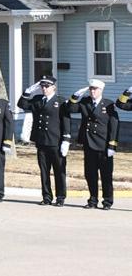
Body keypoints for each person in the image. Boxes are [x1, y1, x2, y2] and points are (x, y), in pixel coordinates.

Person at [17, 74, 70, 206]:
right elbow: (22, 104)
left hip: (56, 141)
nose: (44, 89)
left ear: (54, 87)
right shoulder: (37, 99)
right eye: (42, 86)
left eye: (47, 86)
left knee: (59, 171)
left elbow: (66, 121)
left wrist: (66, 140)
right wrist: (27, 92)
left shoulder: (61, 101)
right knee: (44, 171)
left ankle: (60, 197)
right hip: (41, 141)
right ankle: (47, 197)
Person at [68, 77, 120, 209]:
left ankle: (107, 201)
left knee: (106, 175)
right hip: (89, 143)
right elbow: (71, 108)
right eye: (91, 89)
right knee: (90, 174)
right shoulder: (85, 102)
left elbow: (114, 125)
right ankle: (92, 200)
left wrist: (112, 144)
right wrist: (75, 96)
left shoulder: (108, 104)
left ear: (101, 90)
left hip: (103, 145)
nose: (92, 91)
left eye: (95, 89)